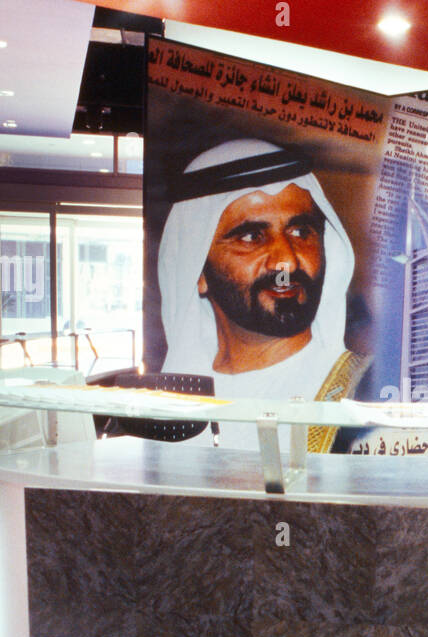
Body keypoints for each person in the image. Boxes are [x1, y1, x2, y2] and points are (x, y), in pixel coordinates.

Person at [157, 138, 368, 447]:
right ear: (198, 270)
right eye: (252, 236)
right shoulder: (167, 409)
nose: (286, 260)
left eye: (300, 232)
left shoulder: (366, 394)